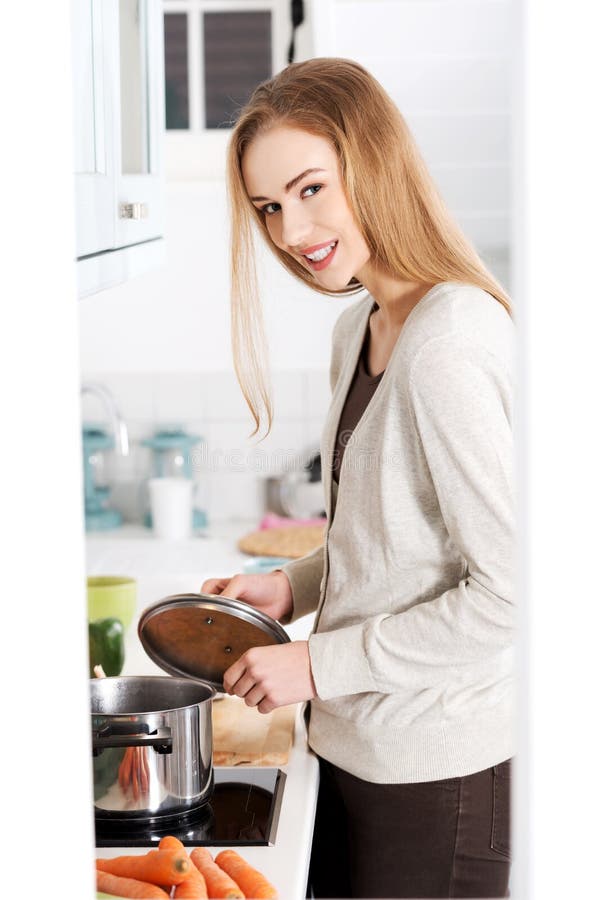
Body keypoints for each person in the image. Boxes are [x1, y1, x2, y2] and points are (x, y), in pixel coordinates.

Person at [201, 58, 514, 899]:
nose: (290, 232)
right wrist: (288, 589)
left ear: (371, 164)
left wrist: (314, 666)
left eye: (309, 190)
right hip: (351, 747)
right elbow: (397, 541)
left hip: (433, 773)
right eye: (268, 207)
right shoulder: (362, 327)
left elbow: (511, 595)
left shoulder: (447, 346)